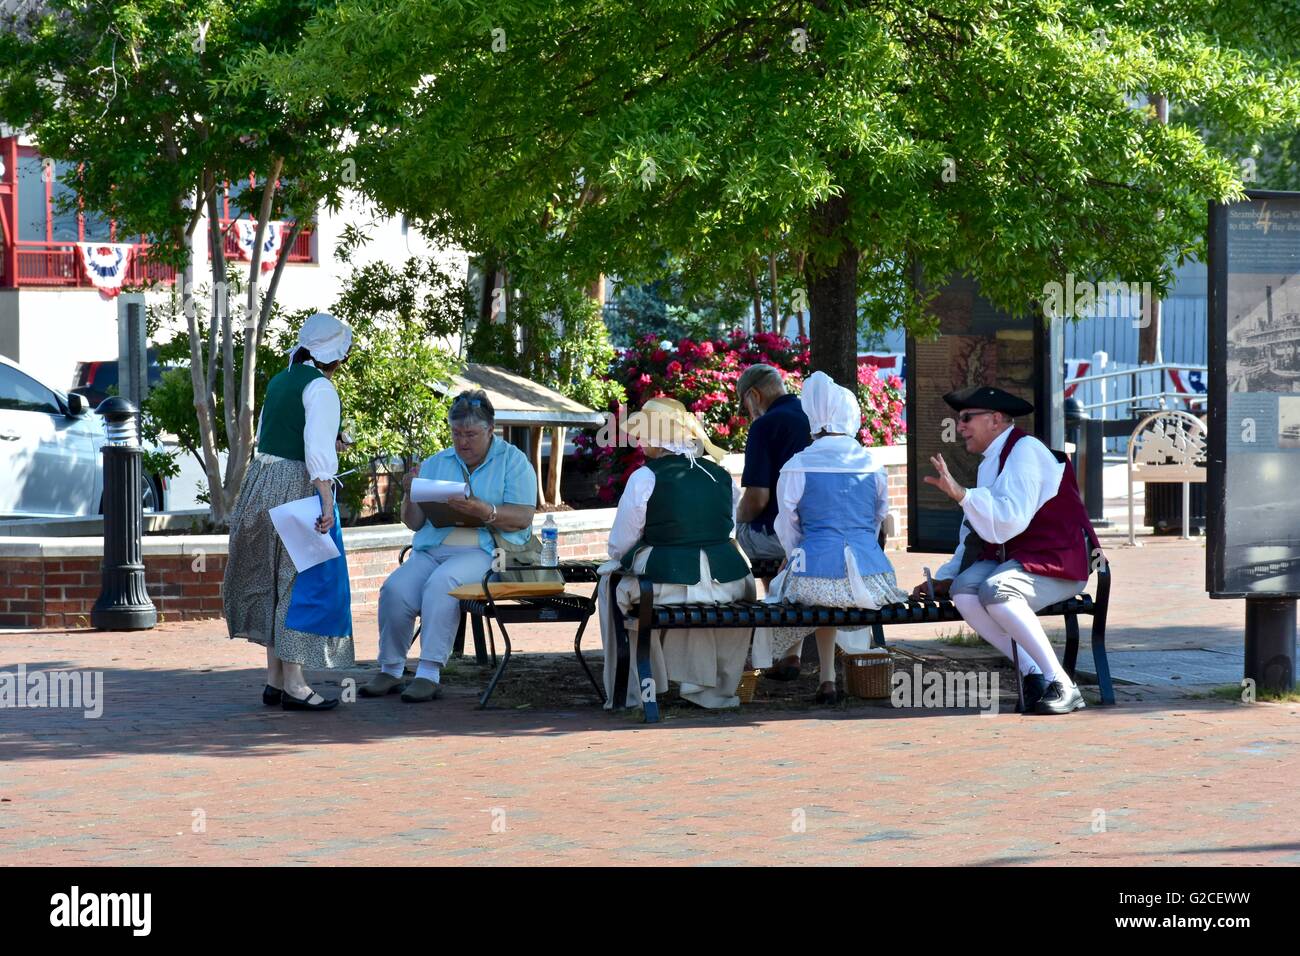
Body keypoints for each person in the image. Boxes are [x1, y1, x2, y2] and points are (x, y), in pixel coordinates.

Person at [912, 385, 1099, 715]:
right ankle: (1033, 674)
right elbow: (976, 531)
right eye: (959, 420)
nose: (960, 427)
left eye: (967, 418)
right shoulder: (990, 462)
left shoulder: (1025, 451)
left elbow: (1010, 519)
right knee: (965, 591)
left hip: (1059, 561)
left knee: (998, 591)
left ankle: (1063, 684)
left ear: (995, 419)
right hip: (1025, 560)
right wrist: (947, 577)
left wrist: (963, 496)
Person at [363, 390, 537, 703]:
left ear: (489, 429)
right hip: (434, 549)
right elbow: (414, 523)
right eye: (456, 434)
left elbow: (524, 517)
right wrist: (409, 493)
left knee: (443, 583)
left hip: (488, 552)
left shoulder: (513, 461)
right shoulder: (436, 463)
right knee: (395, 588)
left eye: (470, 434)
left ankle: (428, 673)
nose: (462, 442)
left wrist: (486, 511)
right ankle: (390, 669)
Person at [224, 312, 354, 711]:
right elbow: (316, 452)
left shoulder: (281, 380)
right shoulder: (321, 388)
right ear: (333, 354)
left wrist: (329, 440)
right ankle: (297, 685)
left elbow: (272, 435)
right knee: (302, 582)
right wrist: (328, 499)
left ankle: (275, 681)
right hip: (298, 488)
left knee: (274, 580)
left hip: (262, 481)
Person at [753, 371, 910, 703]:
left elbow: (787, 526)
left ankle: (800, 662)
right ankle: (826, 678)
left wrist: (797, 555)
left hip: (815, 577)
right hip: (873, 580)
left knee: (795, 586)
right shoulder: (871, 464)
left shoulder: (798, 465)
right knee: (826, 591)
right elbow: (876, 519)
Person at [598, 398, 756, 709]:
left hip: (667, 584)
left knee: (613, 585)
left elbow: (621, 544)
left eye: (644, 433)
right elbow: (727, 529)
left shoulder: (645, 477)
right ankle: (707, 687)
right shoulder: (720, 475)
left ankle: (635, 691)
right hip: (729, 582)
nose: (640, 441)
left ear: (657, 438)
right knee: (697, 597)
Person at [734, 363, 811, 680]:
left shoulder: (766, 426)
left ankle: (762, 646)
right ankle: (789, 652)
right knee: (779, 550)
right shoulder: (813, 415)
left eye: (745, 406)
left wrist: (736, 518)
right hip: (819, 535)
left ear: (753, 395)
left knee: (739, 536)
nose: (748, 413)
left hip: (782, 538)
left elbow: (757, 500)